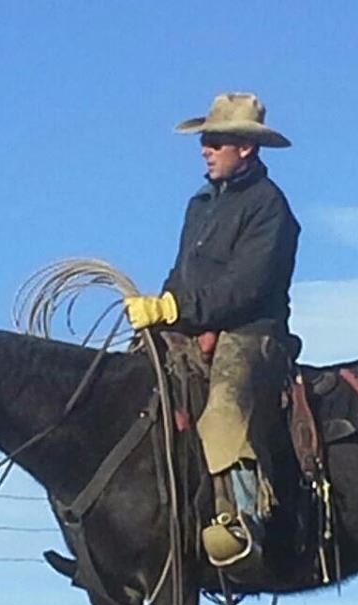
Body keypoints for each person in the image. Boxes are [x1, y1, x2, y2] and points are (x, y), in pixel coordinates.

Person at [122, 91, 301, 569]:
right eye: (205, 139)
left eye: (215, 140)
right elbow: (184, 273)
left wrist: (175, 307)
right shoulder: (199, 204)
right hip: (191, 324)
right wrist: (160, 312)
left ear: (246, 147)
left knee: (224, 406)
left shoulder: (270, 208)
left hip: (252, 333)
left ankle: (240, 521)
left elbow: (247, 287)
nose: (205, 148)